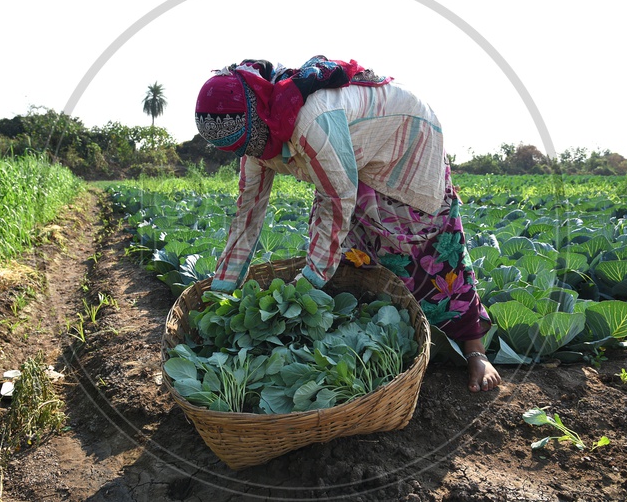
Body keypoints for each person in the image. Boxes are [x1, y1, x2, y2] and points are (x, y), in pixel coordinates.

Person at [194, 55, 501, 393]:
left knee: (426, 245)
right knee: (354, 249)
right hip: (354, 155)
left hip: (409, 140)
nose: (253, 154)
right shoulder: (255, 138)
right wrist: (222, 290)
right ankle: (385, 328)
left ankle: (475, 351)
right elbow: (246, 216)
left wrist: (308, 283)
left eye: (250, 143)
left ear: (259, 117)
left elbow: (336, 199)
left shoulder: (313, 120)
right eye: (242, 149)